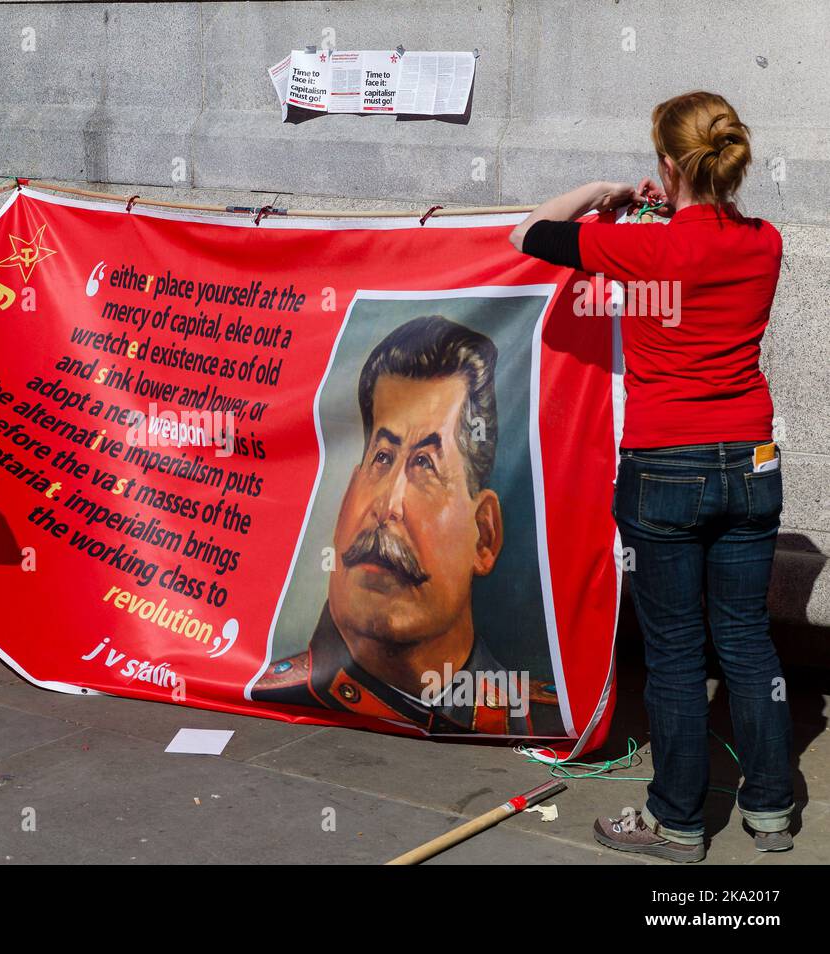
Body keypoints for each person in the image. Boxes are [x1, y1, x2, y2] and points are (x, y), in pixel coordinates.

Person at [510, 90, 791, 862]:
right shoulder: (765, 241)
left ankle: (677, 822)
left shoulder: (643, 246)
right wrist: (671, 206)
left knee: (673, 654)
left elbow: (527, 231)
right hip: (752, 460)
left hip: (666, 463)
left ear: (667, 165)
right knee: (746, 640)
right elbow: (710, 244)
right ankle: (771, 811)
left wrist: (605, 196)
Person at [253, 315, 563, 735]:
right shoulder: (267, 690)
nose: (387, 505)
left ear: (484, 537)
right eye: (381, 457)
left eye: (424, 465)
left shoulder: (544, 720)